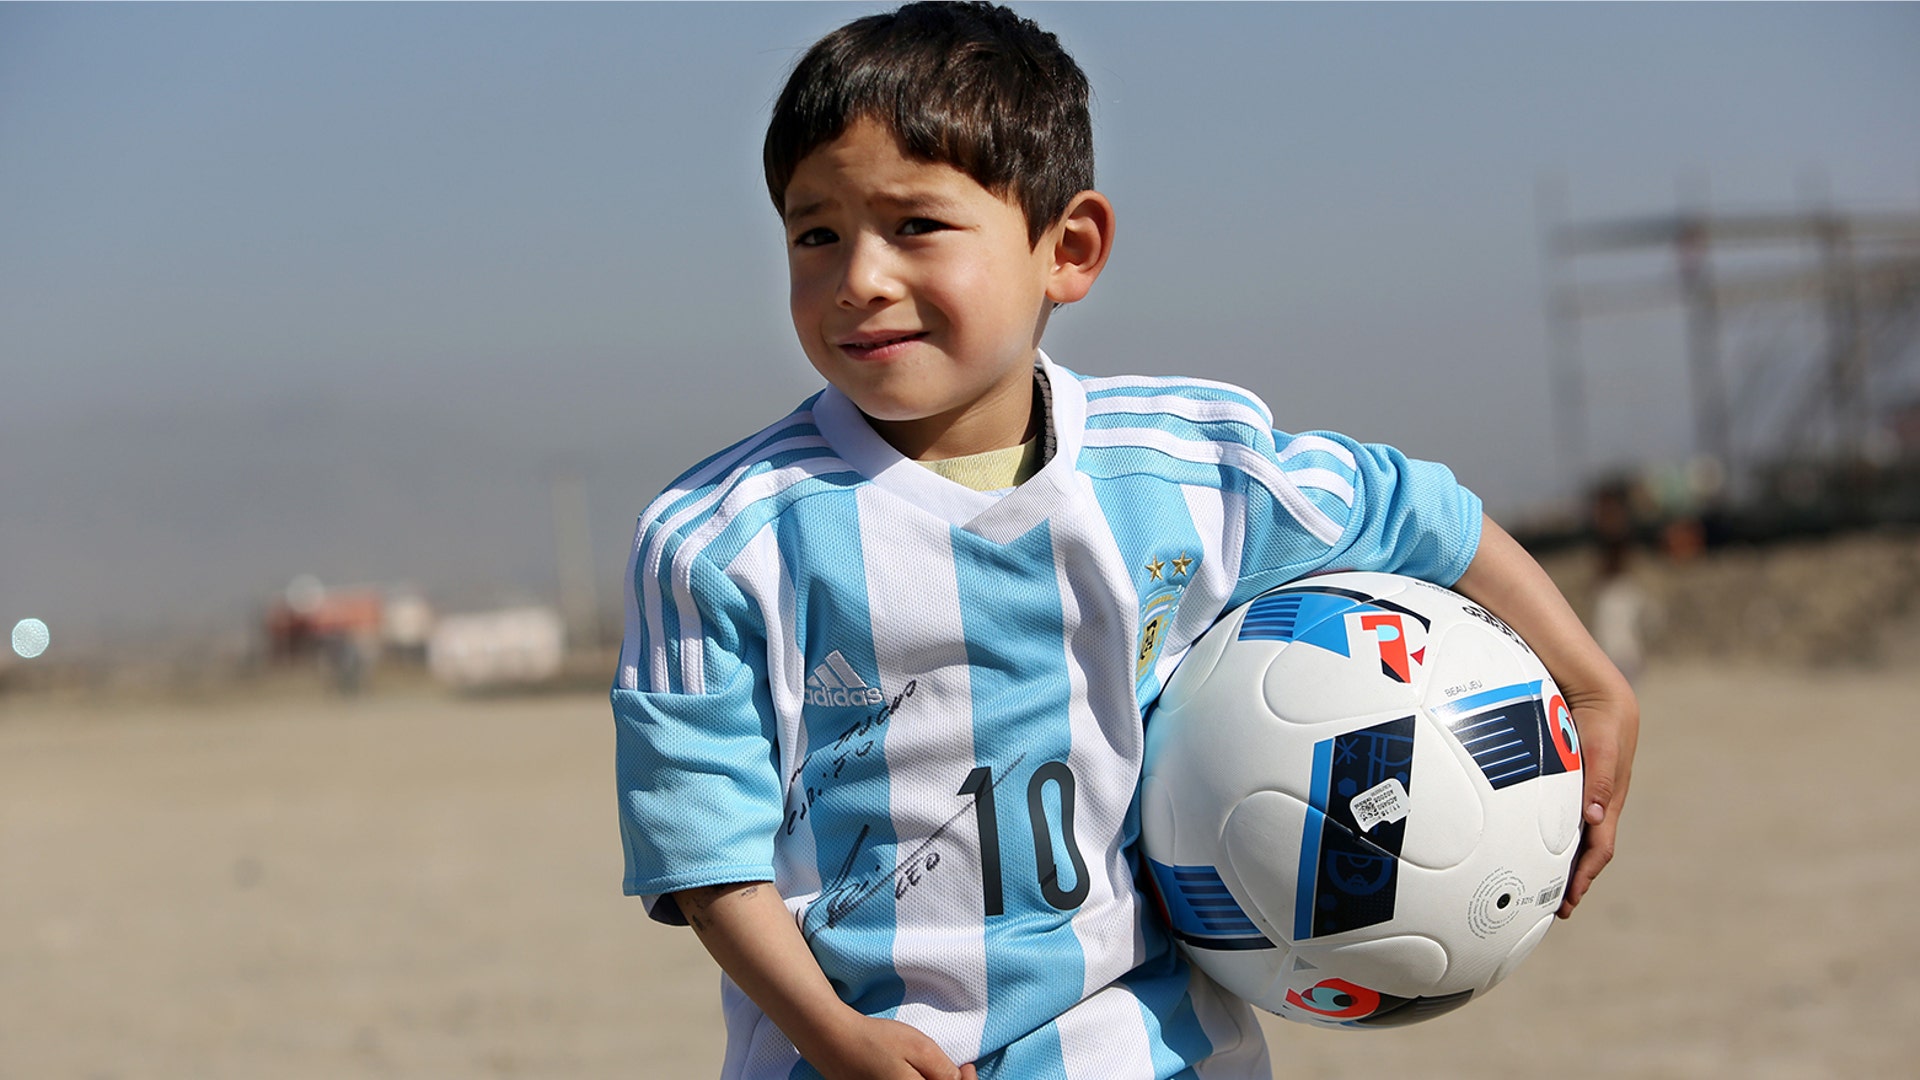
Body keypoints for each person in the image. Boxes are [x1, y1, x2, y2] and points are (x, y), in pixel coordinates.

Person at [612, 4, 1640, 1077]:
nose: (859, 277)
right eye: (815, 233)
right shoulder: (719, 541)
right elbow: (703, 852)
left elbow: (1419, 512)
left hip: (1151, 1052)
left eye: (914, 225)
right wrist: (837, 1038)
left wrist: (1591, 681)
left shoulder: (1190, 466)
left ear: (1069, 248)